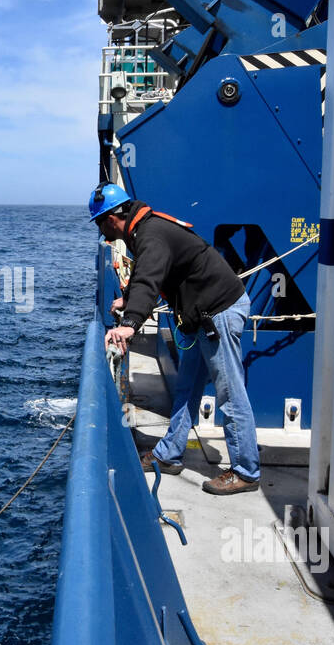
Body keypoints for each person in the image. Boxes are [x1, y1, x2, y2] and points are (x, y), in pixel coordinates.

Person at [88, 183, 261, 494]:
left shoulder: (150, 235)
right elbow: (150, 273)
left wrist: (129, 324)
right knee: (187, 388)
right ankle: (169, 454)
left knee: (230, 394)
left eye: (100, 223)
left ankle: (246, 472)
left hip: (218, 313)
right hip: (202, 317)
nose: (101, 232)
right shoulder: (146, 230)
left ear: (112, 218)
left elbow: (149, 277)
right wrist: (129, 299)